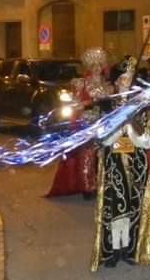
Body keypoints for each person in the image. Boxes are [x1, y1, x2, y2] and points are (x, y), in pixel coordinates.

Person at [90, 57, 150, 269]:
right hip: (113, 163)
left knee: (132, 207)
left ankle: (128, 249)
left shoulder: (141, 107)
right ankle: (113, 250)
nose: (126, 83)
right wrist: (118, 123)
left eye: (130, 79)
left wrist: (132, 122)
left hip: (136, 163)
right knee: (115, 206)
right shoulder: (106, 105)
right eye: (123, 78)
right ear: (116, 81)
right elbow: (101, 140)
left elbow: (147, 142)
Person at [46, 47, 111, 199]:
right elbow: (75, 104)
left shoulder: (108, 85)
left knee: (105, 154)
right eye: (93, 65)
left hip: (105, 123)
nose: (96, 68)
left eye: (99, 64)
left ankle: (104, 184)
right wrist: (89, 103)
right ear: (89, 67)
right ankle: (88, 187)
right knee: (87, 156)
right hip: (87, 123)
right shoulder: (82, 83)